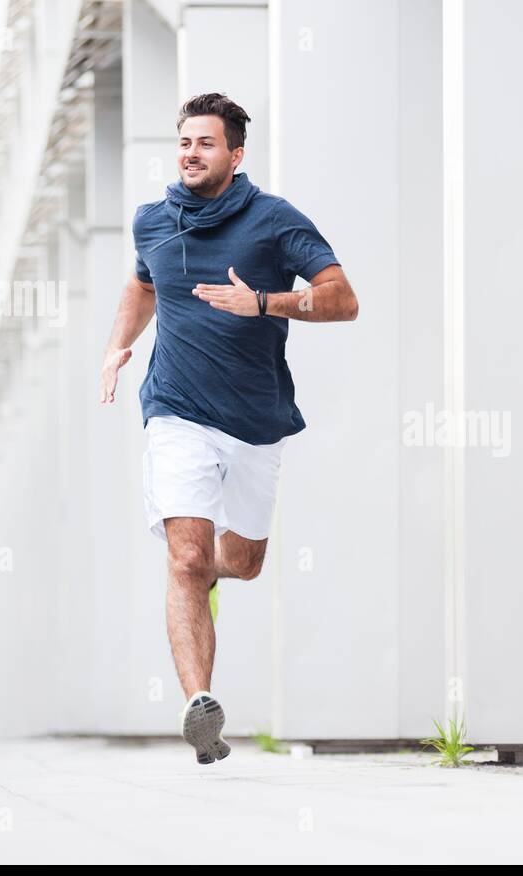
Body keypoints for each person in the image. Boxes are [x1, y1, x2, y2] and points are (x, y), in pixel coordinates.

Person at [98, 92, 358, 764]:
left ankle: (204, 568)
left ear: (235, 154)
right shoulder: (152, 222)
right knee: (186, 557)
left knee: (238, 562)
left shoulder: (274, 222)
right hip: (176, 411)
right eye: (184, 142)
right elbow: (143, 285)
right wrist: (117, 346)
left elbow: (342, 299)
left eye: (205, 143)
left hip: (256, 421)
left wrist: (265, 302)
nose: (191, 153)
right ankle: (200, 709)